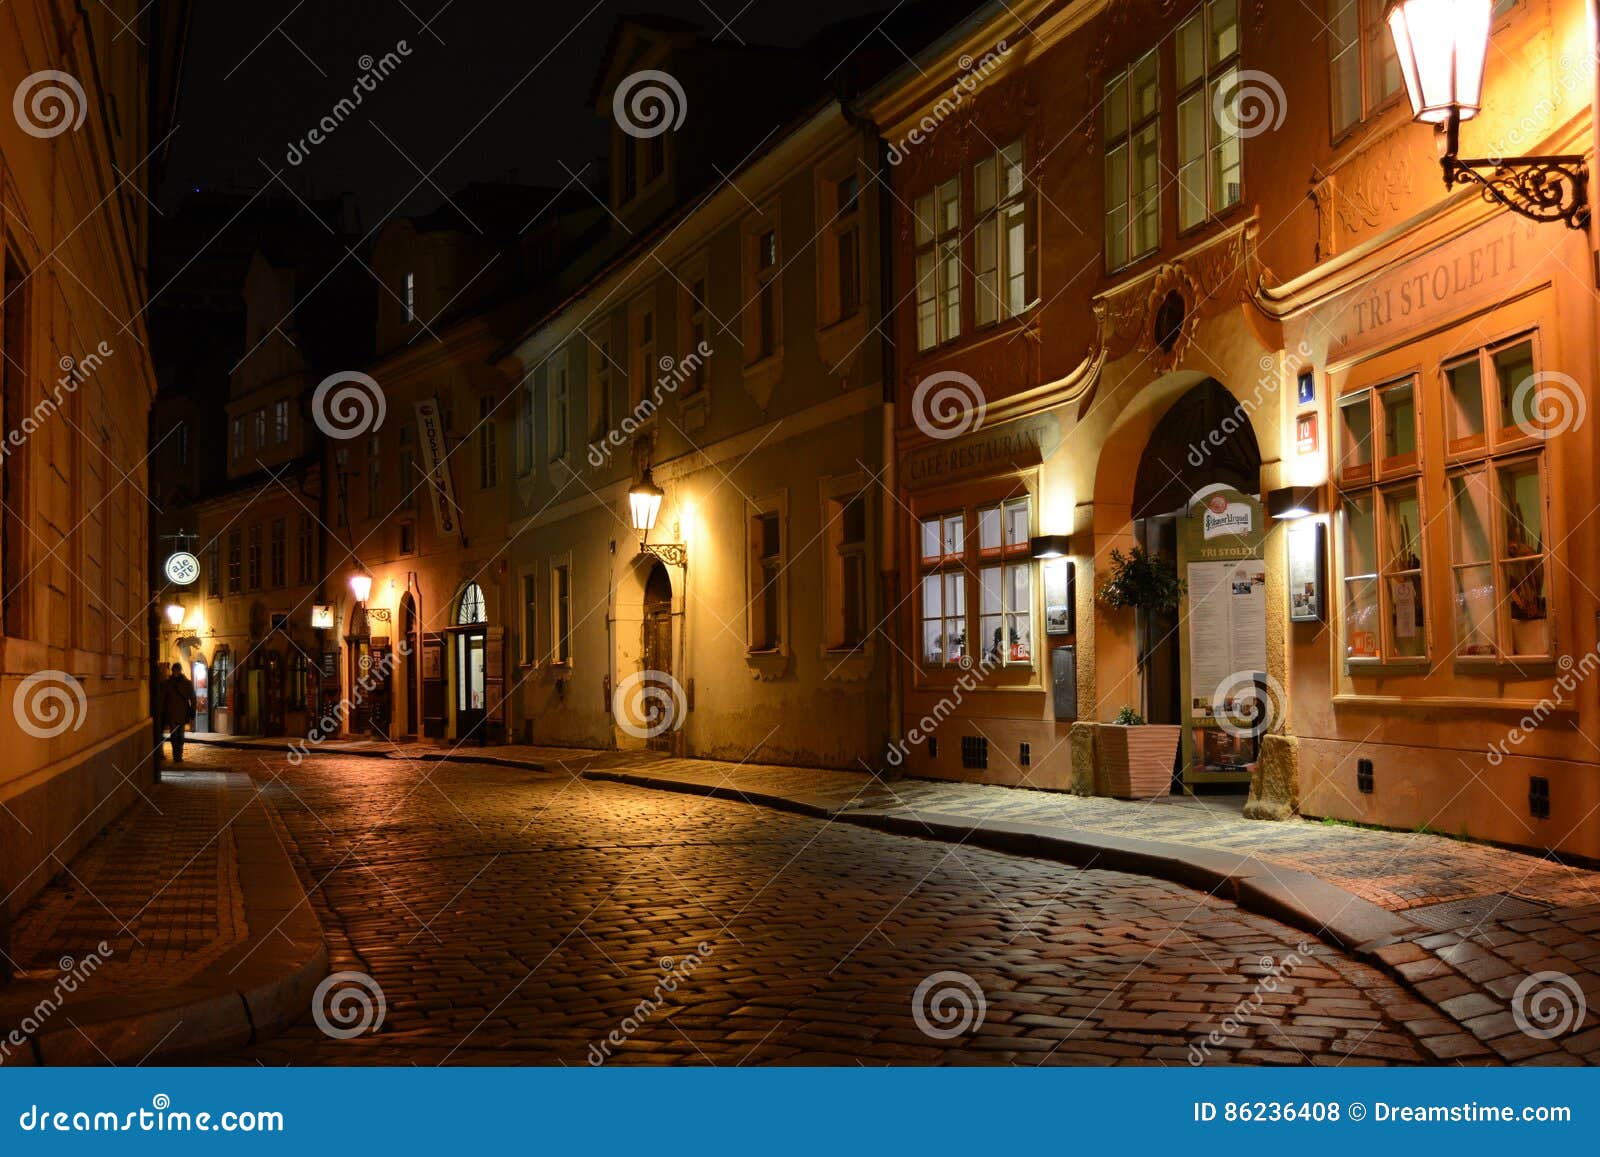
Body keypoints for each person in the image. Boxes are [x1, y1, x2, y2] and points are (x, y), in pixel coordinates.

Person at [158, 662, 196, 763]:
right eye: (174, 670)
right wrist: (161, 711)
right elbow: (162, 698)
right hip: (171, 714)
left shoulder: (187, 683)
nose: (175, 672)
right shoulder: (167, 683)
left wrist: (192, 712)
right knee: (175, 735)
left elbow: (193, 699)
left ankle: (179, 755)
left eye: (177, 670)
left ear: (179, 670)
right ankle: (177, 755)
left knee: (180, 735)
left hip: (182, 714)